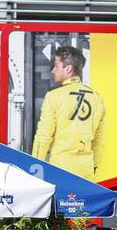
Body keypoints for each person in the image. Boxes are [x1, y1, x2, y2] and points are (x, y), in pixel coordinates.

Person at [32, 44, 106, 181]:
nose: (53, 71)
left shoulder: (53, 96)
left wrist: (34, 165)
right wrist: (93, 166)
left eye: (56, 66)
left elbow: (43, 137)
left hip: (60, 170)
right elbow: (99, 141)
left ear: (69, 69)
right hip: (86, 173)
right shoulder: (97, 98)